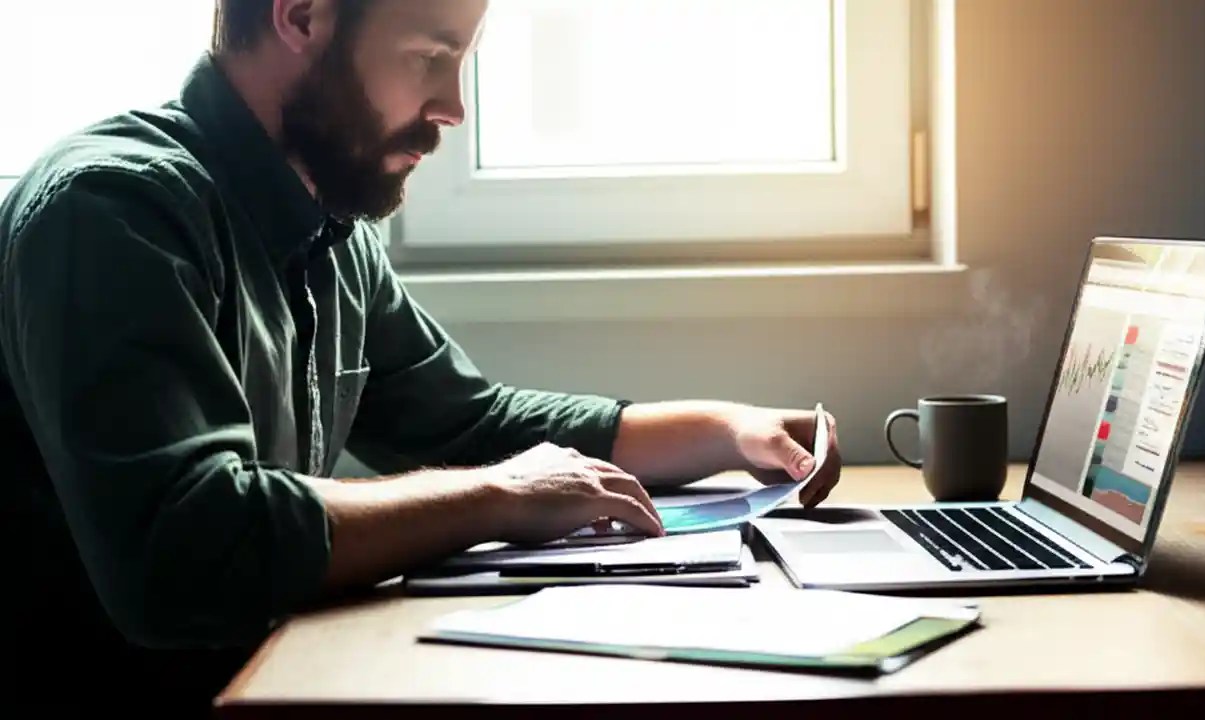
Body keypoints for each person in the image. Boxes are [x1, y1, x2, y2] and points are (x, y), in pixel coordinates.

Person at [0, 0, 841, 708]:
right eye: (430, 56)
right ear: (301, 15)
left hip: (268, 684)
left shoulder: (328, 228)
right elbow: (187, 552)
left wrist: (730, 429)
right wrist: (496, 499)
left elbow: (471, 424)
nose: (453, 108)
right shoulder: (112, 213)